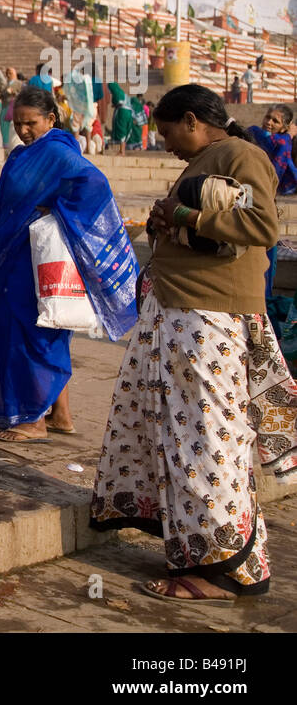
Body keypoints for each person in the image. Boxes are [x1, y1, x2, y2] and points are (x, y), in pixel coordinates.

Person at [91, 84, 297, 604]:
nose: (165, 144)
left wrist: (181, 217)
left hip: (208, 321)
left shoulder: (240, 154)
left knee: (209, 444)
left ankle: (220, 570)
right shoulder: (212, 158)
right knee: (191, 443)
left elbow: (261, 225)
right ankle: (211, 555)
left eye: (166, 132)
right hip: (186, 317)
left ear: (190, 119)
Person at [0, 86, 138, 442]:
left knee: (33, 335)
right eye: (18, 123)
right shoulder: (22, 154)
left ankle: (33, 420)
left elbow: (94, 184)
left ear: (51, 119)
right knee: (47, 328)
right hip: (20, 255)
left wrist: (56, 209)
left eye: (31, 123)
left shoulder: (55, 151)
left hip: (33, 262)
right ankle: (61, 415)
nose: (24, 130)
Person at [250, 105, 297, 196]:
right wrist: (288, 136)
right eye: (267, 117)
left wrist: (287, 137)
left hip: (276, 188)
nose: (268, 122)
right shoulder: (254, 132)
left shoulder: (285, 144)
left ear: (284, 128)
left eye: (275, 121)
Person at [107, 80, 137, 156]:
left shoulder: (115, 92)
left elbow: (116, 102)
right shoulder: (122, 93)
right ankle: (122, 150)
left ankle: (122, 151)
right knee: (125, 131)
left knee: (121, 131)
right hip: (129, 112)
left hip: (122, 113)